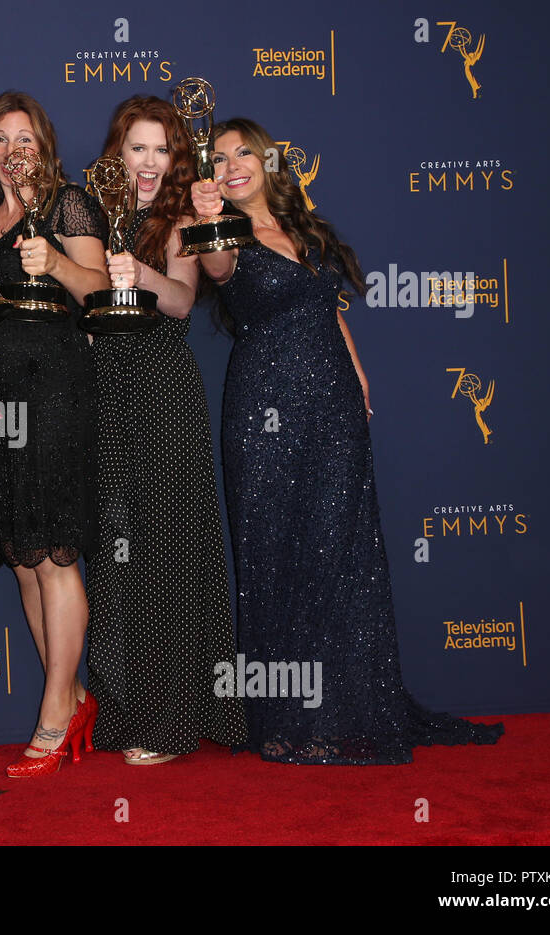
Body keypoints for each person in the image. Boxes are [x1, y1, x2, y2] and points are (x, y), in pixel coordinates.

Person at [191, 117, 503, 764]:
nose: (233, 164)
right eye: (219, 158)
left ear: (268, 158)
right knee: (274, 556)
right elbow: (218, 270)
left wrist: (357, 373)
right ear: (209, 174)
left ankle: (346, 707)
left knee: (339, 555)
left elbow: (329, 305)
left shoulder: (307, 229)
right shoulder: (223, 235)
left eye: (243, 151)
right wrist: (208, 212)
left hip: (333, 405)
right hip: (264, 411)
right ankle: (284, 720)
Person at [84, 96, 247, 765]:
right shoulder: (94, 209)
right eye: (137, 149)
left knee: (164, 555)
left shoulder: (181, 217)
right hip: (108, 392)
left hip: (162, 391)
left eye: (161, 150)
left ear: (176, 158)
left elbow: (181, 299)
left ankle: (171, 720)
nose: (148, 163)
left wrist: (137, 272)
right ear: (117, 154)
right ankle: (123, 711)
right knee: (115, 555)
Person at [0, 91, 108, 778]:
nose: (12, 149)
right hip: (0, 405)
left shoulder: (70, 204)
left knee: (54, 555)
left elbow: (100, 290)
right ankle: (75, 694)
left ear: (43, 148)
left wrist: (52, 262)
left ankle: (56, 712)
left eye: (25, 137)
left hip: (57, 393)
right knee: (24, 555)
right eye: (0, 137)